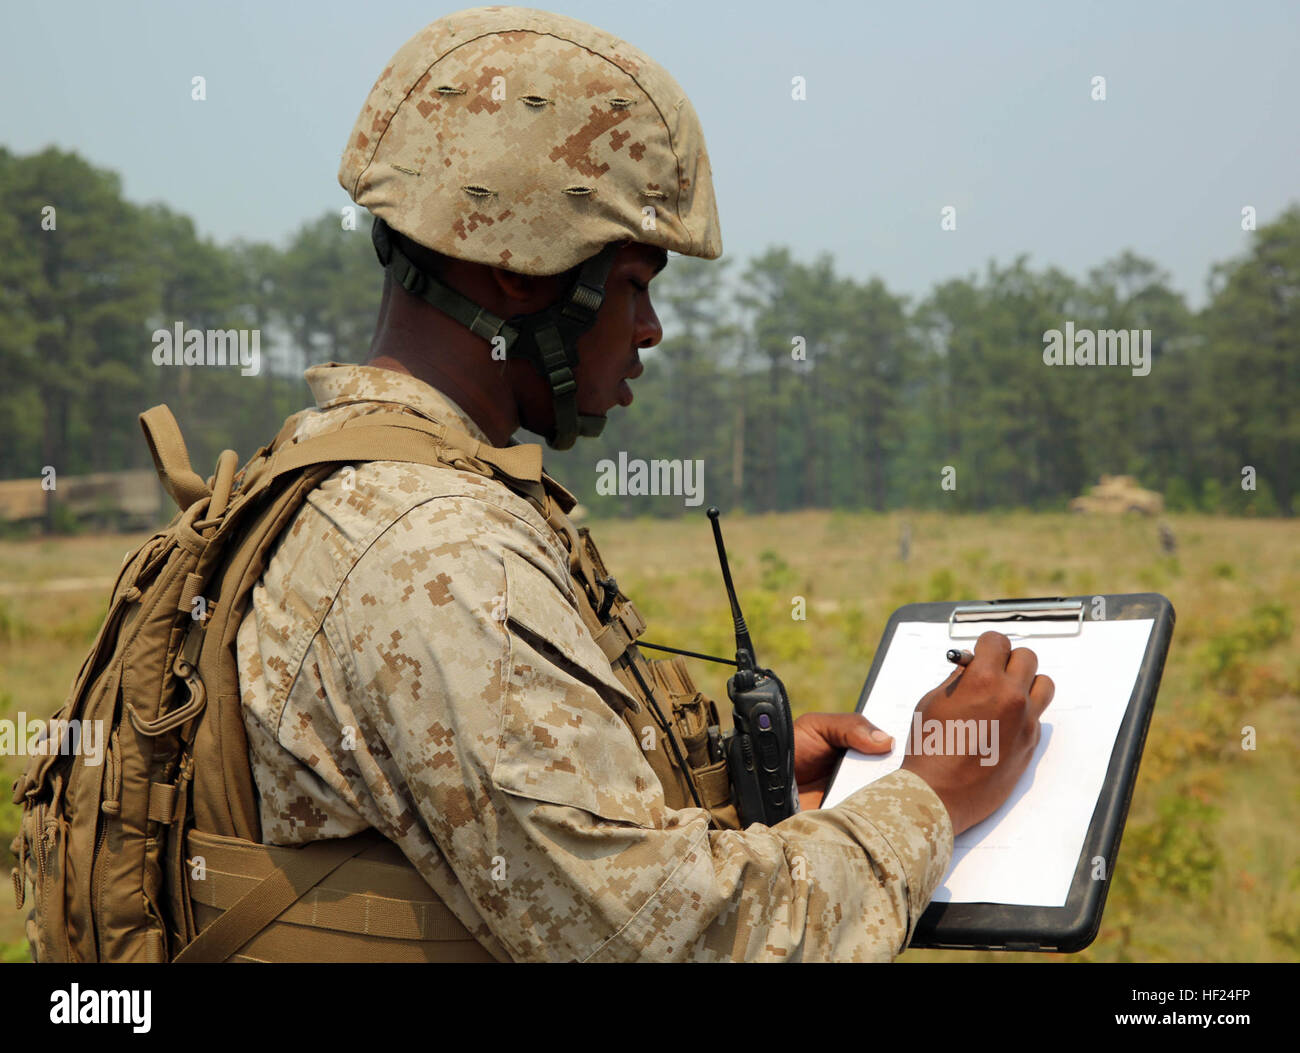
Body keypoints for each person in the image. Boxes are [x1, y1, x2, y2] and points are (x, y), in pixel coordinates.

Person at [234, 5, 1054, 962]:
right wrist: (935, 794)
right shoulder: (437, 555)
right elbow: (679, 944)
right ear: (519, 274)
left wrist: (696, 776)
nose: (653, 329)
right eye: (635, 283)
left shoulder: (334, 480)